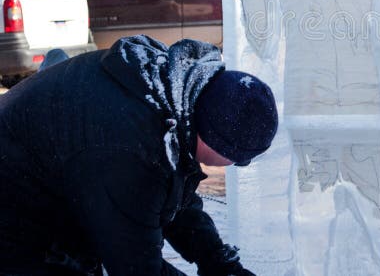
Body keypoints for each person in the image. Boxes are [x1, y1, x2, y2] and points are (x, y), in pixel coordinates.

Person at [0, 35, 278, 275]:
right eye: (238, 158)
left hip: (53, 188)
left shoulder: (173, 94)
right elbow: (136, 265)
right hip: (15, 221)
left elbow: (172, 195)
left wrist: (216, 260)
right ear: (218, 142)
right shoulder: (128, 152)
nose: (235, 165)